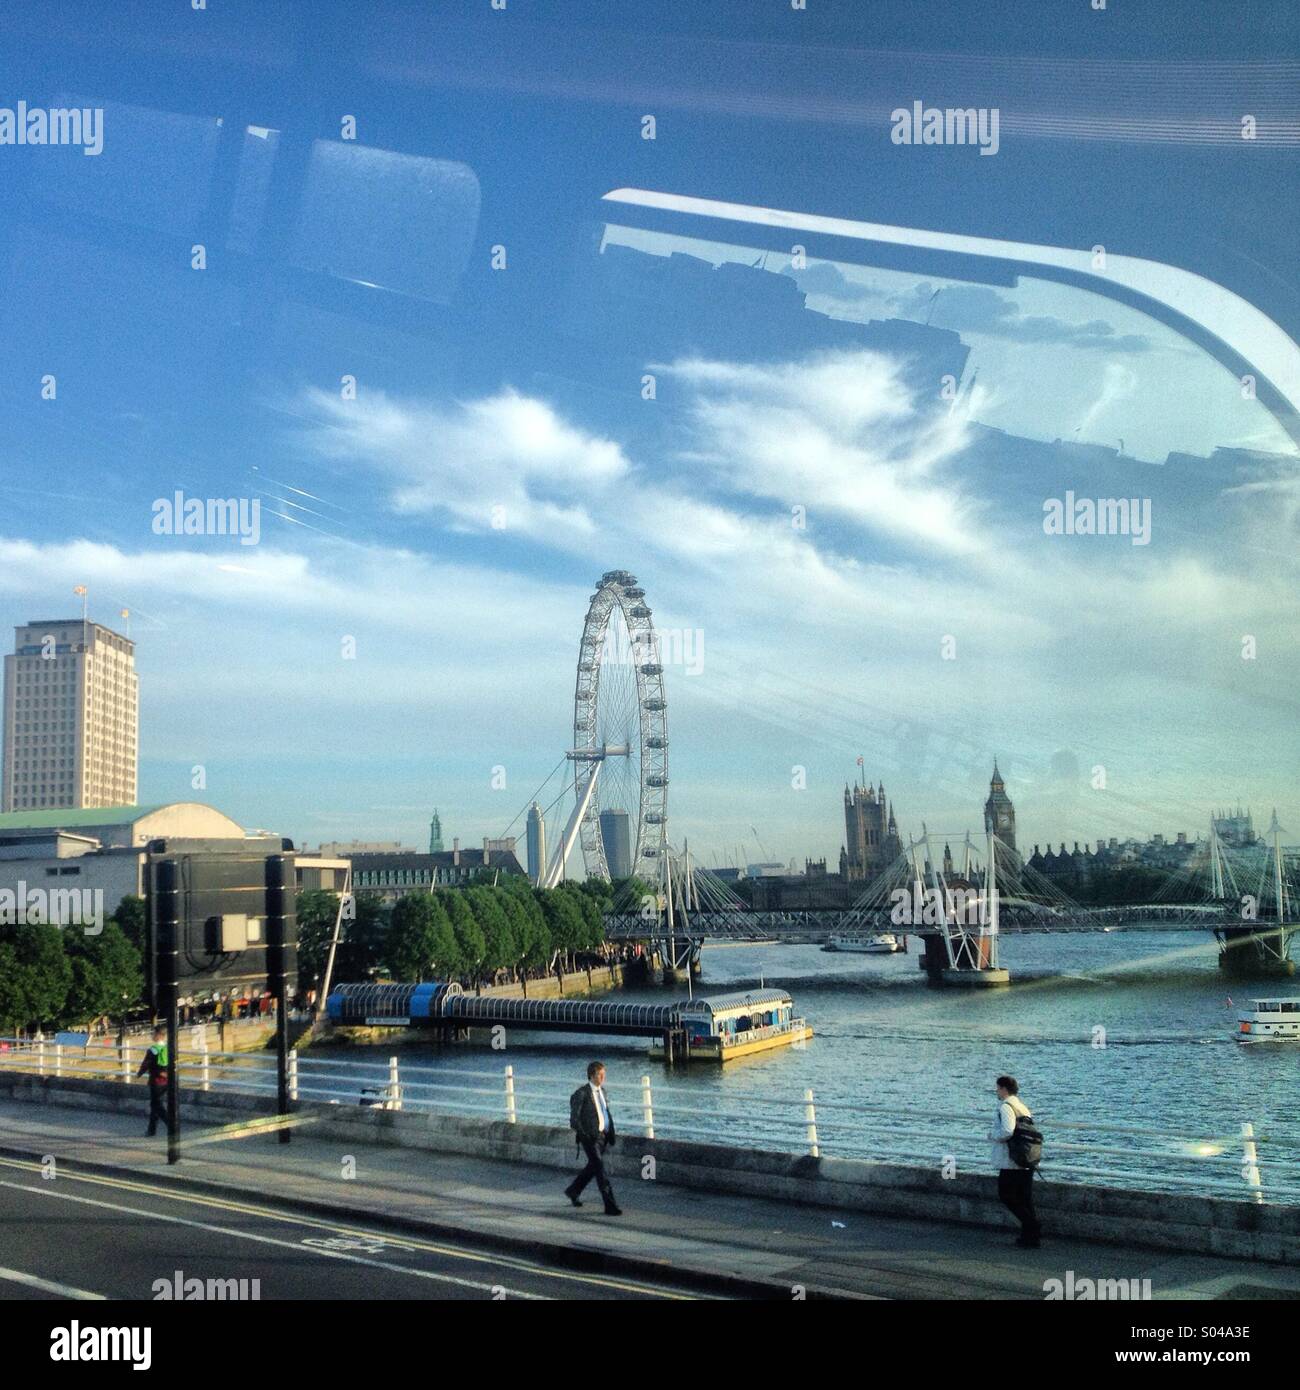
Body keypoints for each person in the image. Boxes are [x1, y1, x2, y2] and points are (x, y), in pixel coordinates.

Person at [564, 1060, 622, 1215]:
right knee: (600, 1170)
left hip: (602, 1136)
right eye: (600, 1074)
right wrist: (586, 1136)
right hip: (590, 1139)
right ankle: (610, 1206)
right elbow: (574, 1120)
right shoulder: (581, 1093)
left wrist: (609, 1132)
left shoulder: (603, 1092)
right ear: (591, 1075)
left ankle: (573, 1191)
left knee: (593, 1167)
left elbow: (605, 1113)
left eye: (604, 1074)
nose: (603, 1077)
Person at [990, 1074, 1040, 1247]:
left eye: (997, 1088)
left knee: (1006, 1195)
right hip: (1026, 1159)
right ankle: (1031, 1237)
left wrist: (992, 1135)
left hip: (1011, 1160)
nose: (996, 1091)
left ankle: (1032, 1226)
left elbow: (1007, 1131)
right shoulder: (1022, 1106)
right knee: (1025, 1198)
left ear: (1004, 1089)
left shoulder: (1006, 1106)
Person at [137, 1025, 170, 1138]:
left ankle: (170, 1123)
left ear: (158, 1035)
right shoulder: (167, 1048)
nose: (152, 1035)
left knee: (156, 1104)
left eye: (153, 1033)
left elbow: (147, 1063)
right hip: (166, 1080)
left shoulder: (153, 1049)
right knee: (156, 1105)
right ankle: (151, 1130)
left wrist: (140, 1073)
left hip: (156, 1080)